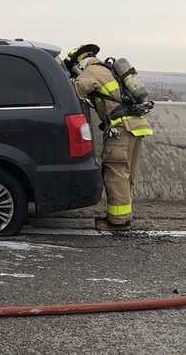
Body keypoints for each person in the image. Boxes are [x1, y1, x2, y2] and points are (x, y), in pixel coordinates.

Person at [64, 43, 153, 232]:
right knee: (126, 173)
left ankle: (118, 221)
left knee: (115, 172)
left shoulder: (91, 72)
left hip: (121, 127)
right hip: (136, 126)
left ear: (79, 63)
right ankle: (123, 216)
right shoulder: (107, 69)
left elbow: (72, 93)